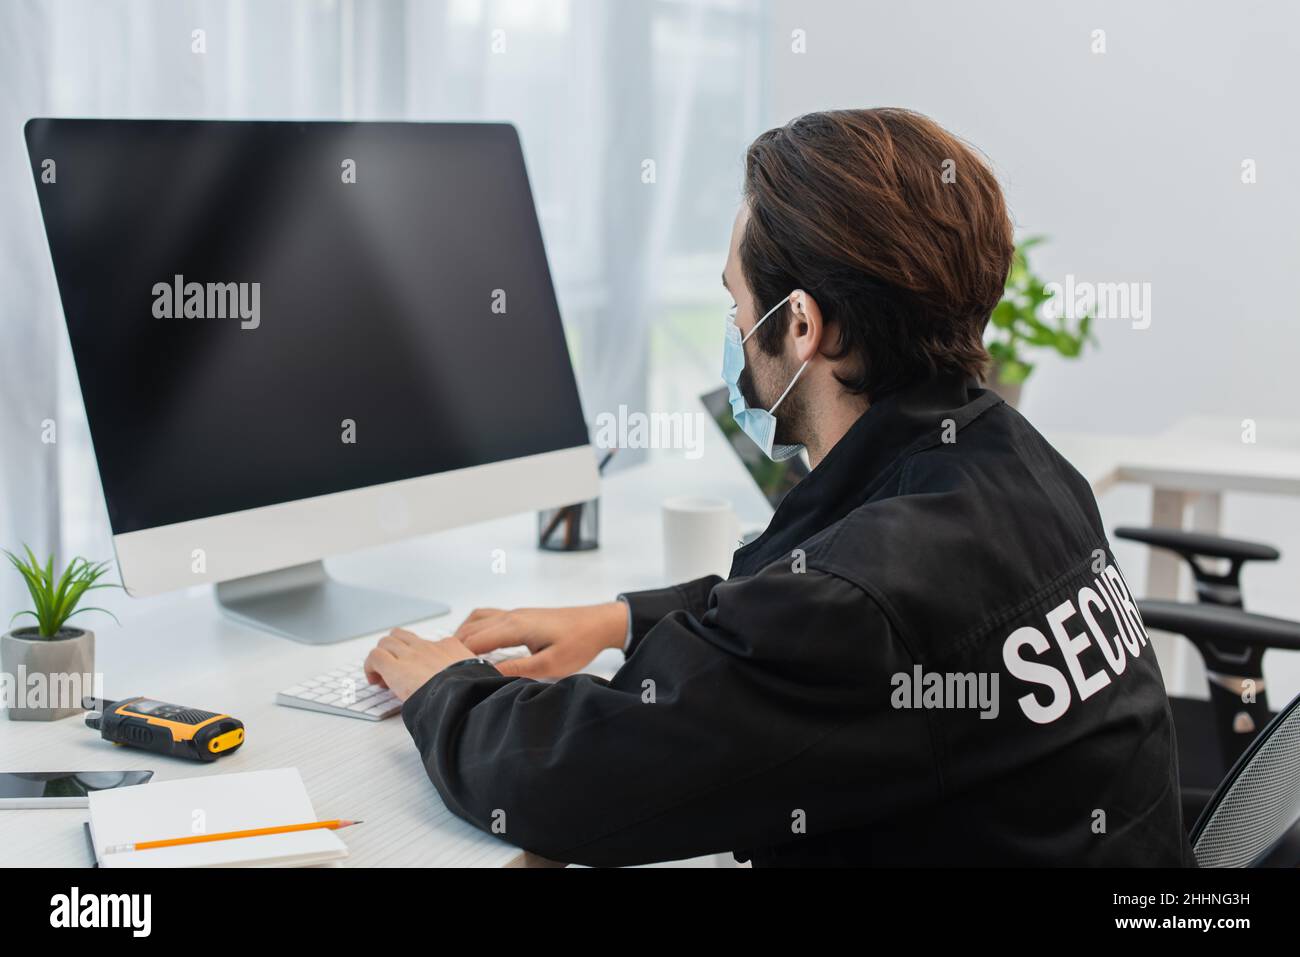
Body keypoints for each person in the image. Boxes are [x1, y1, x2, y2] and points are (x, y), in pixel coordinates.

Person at [364, 108, 1193, 867]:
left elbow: (562, 779)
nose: (734, 329)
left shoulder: (856, 605)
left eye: (736, 302)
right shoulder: (1014, 459)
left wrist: (444, 684)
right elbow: (816, 608)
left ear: (800, 324)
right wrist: (622, 619)